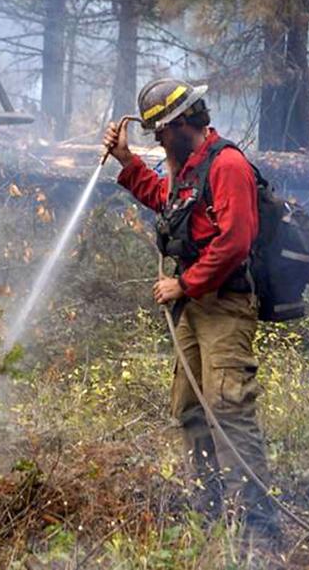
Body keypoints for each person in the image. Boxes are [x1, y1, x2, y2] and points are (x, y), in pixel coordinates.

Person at [103, 79, 278, 539]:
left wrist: (183, 283)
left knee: (228, 406)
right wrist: (126, 161)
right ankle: (210, 512)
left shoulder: (227, 165)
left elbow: (235, 241)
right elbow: (168, 203)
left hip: (224, 305)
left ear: (182, 123)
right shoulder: (188, 169)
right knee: (190, 408)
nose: (159, 141)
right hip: (193, 307)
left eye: (161, 132)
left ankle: (256, 528)